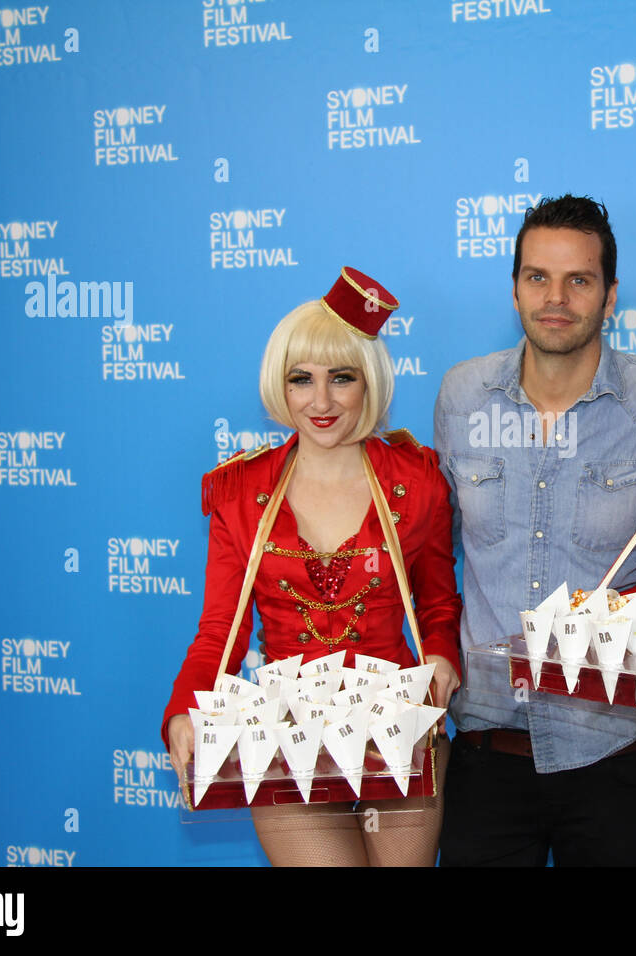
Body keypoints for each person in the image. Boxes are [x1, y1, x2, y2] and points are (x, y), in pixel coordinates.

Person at [434, 195, 636, 866]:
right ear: (515, 288)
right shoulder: (462, 397)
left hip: (610, 751)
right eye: (537, 277)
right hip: (484, 748)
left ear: (611, 295)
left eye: (579, 280)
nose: (555, 297)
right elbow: (434, 556)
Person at [162, 267, 462, 867]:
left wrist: (441, 656)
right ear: (281, 386)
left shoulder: (416, 479)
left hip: (397, 729)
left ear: (368, 383)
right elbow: (221, 630)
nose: (320, 402)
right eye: (302, 380)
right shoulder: (238, 490)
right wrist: (182, 711)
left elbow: (434, 602)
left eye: (341, 379)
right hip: (284, 735)